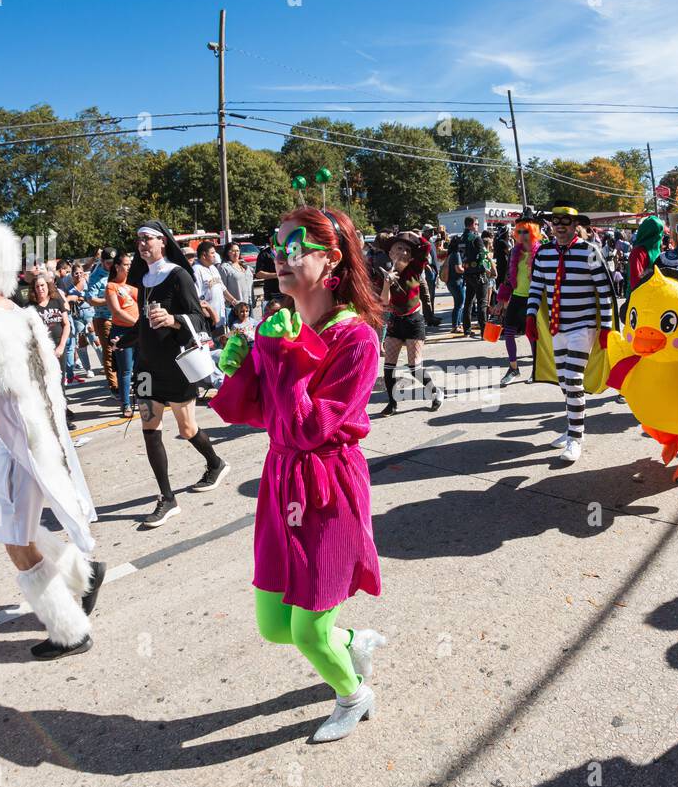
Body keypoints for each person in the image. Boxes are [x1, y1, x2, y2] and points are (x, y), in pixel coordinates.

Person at [210, 205, 387, 743]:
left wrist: (284, 358)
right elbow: (259, 415)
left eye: (294, 247)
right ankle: (352, 639)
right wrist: (243, 366)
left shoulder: (357, 340)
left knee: (308, 630)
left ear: (330, 259)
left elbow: (314, 428)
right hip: (281, 477)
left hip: (327, 485)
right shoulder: (278, 324)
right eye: (276, 244)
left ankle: (354, 696)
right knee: (273, 626)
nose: (279, 258)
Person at [0, 220, 104, 660]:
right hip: (35, 445)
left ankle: (68, 630)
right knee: (14, 527)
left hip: (22, 451)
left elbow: (4, 412)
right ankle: (82, 573)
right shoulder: (23, 316)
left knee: (16, 541)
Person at [126, 220, 228, 528]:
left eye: (147, 238)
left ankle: (215, 462)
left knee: (186, 429)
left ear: (162, 242)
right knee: (149, 429)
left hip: (176, 368)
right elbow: (144, 324)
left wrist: (173, 319)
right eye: (138, 239)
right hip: (146, 368)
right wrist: (127, 339)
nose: (142, 243)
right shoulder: (143, 279)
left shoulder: (178, 275)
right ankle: (167, 499)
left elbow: (200, 319)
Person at [525, 201, 616, 464]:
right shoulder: (543, 253)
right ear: (551, 225)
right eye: (556, 222)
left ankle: (576, 438)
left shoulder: (590, 251)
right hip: (557, 327)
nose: (560, 227)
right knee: (564, 381)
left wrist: (606, 326)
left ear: (576, 225)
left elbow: (604, 292)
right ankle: (570, 429)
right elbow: (536, 288)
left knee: (573, 379)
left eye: (566, 223)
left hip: (583, 325)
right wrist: (530, 315)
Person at [376, 231, 443, 416]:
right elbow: (384, 301)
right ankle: (392, 404)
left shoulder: (416, 268)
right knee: (389, 367)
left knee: (415, 367)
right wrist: (387, 283)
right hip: (396, 322)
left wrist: (413, 235)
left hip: (414, 321)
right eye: (399, 248)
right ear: (390, 252)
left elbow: (427, 246)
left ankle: (435, 392)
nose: (403, 252)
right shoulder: (388, 273)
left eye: (407, 250)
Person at [494, 217, 542, 387]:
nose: (521, 235)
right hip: (517, 297)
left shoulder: (541, 252)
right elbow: (508, 278)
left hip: (534, 299)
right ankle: (513, 368)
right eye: (519, 231)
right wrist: (501, 301)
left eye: (525, 231)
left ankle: (537, 369)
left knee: (532, 335)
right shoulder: (515, 252)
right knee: (508, 332)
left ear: (533, 232)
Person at [106, 251, 140, 419]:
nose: (128, 267)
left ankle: (144, 399)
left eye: (129, 264)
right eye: (126, 264)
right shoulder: (112, 286)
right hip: (122, 332)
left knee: (142, 367)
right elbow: (116, 311)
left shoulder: (134, 283)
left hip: (139, 331)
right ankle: (126, 404)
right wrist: (136, 324)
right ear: (117, 266)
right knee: (126, 370)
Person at [30, 274, 71, 391]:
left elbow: (66, 324)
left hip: (59, 345)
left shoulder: (56, 301)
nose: (40, 289)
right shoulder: (31, 307)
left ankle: (63, 408)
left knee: (61, 378)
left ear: (48, 286)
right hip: (42, 349)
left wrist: (62, 346)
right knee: (47, 380)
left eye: (42, 285)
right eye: (37, 287)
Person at [86, 247, 117, 394]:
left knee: (123, 350)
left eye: (113, 262)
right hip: (105, 319)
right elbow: (90, 299)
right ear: (103, 261)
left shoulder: (119, 272)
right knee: (109, 352)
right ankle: (114, 386)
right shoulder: (96, 276)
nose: (111, 265)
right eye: (109, 262)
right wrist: (109, 301)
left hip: (121, 317)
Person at [459, 217, 490, 338]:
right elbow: (484, 254)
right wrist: (488, 267)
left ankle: (467, 330)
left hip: (467, 273)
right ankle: (484, 332)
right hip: (478, 273)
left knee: (468, 302)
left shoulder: (460, 238)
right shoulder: (476, 237)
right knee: (482, 303)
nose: (478, 226)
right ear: (472, 225)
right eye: (477, 224)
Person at [192, 240, 228, 340]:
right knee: (212, 348)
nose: (215, 255)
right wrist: (209, 317)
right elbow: (197, 298)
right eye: (212, 253)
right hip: (209, 320)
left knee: (221, 345)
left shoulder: (213, 268)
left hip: (220, 316)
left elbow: (223, 288)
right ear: (204, 255)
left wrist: (234, 301)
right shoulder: (196, 270)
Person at [627, 215, 666, 299]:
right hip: (639, 301)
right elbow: (636, 282)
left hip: (655, 299)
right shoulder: (638, 252)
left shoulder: (658, 251)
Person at [218, 242, 255, 314]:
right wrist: (234, 302)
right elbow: (222, 289)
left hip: (249, 305)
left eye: (237, 251)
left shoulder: (244, 265)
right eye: (233, 251)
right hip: (236, 308)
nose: (236, 253)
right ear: (227, 253)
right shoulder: (224, 268)